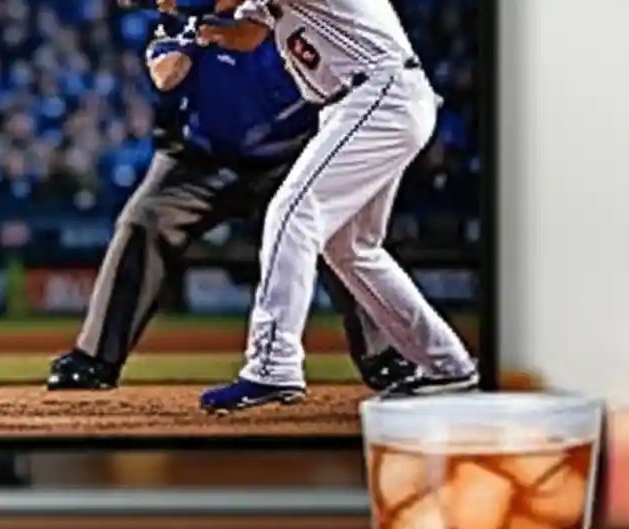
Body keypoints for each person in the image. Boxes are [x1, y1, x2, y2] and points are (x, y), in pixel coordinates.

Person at [47, 8, 417, 396]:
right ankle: (95, 358)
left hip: (295, 155)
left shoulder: (293, 12)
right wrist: (196, 29)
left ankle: (386, 354)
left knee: (340, 238)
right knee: (143, 222)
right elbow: (166, 75)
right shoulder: (180, 18)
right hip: (199, 158)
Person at [196, 0, 479, 413]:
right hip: (362, 101)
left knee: (293, 213)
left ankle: (273, 366)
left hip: (378, 92)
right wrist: (202, 29)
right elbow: (247, 34)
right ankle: (447, 365)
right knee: (352, 248)